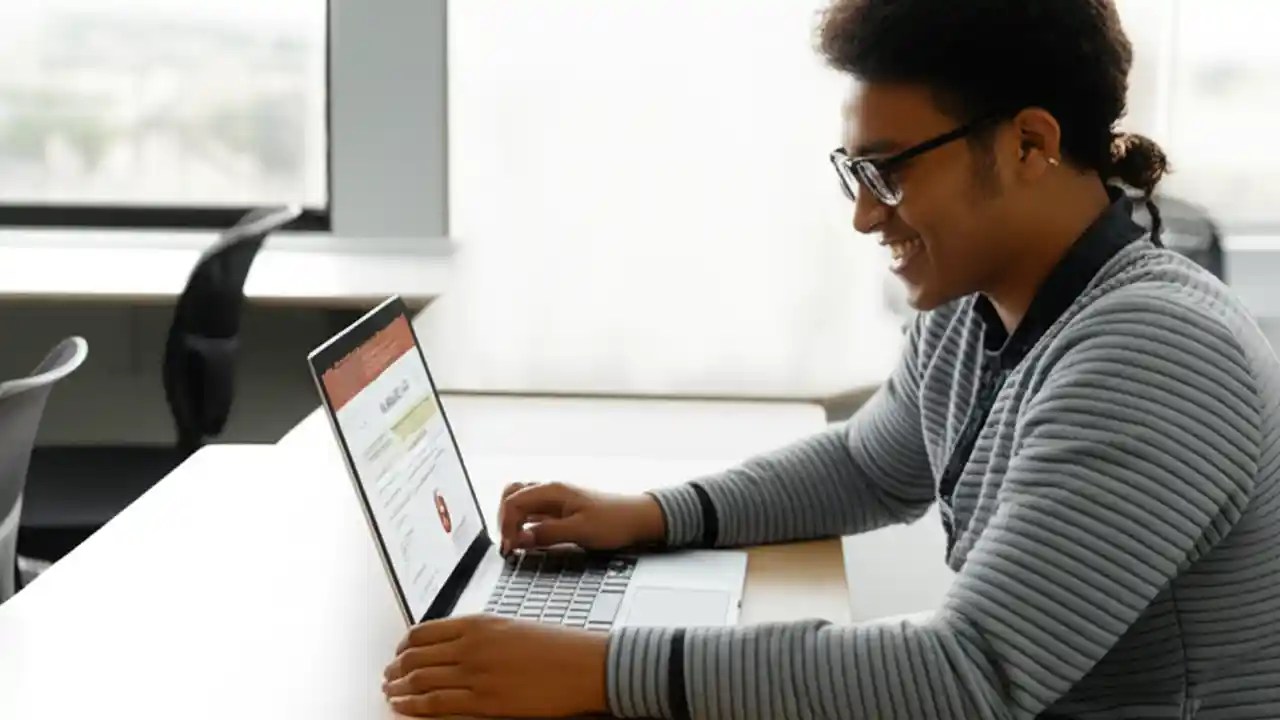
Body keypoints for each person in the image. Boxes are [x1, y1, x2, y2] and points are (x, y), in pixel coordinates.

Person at [381, 0, 1280, 717]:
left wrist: (598, 671)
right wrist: (653, 515)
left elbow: (971, 676)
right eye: (854, 172)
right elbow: (869, 463)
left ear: (1031, 144)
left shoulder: (1158, 354)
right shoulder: (979, 298)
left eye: (887, 172)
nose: (863, 214)